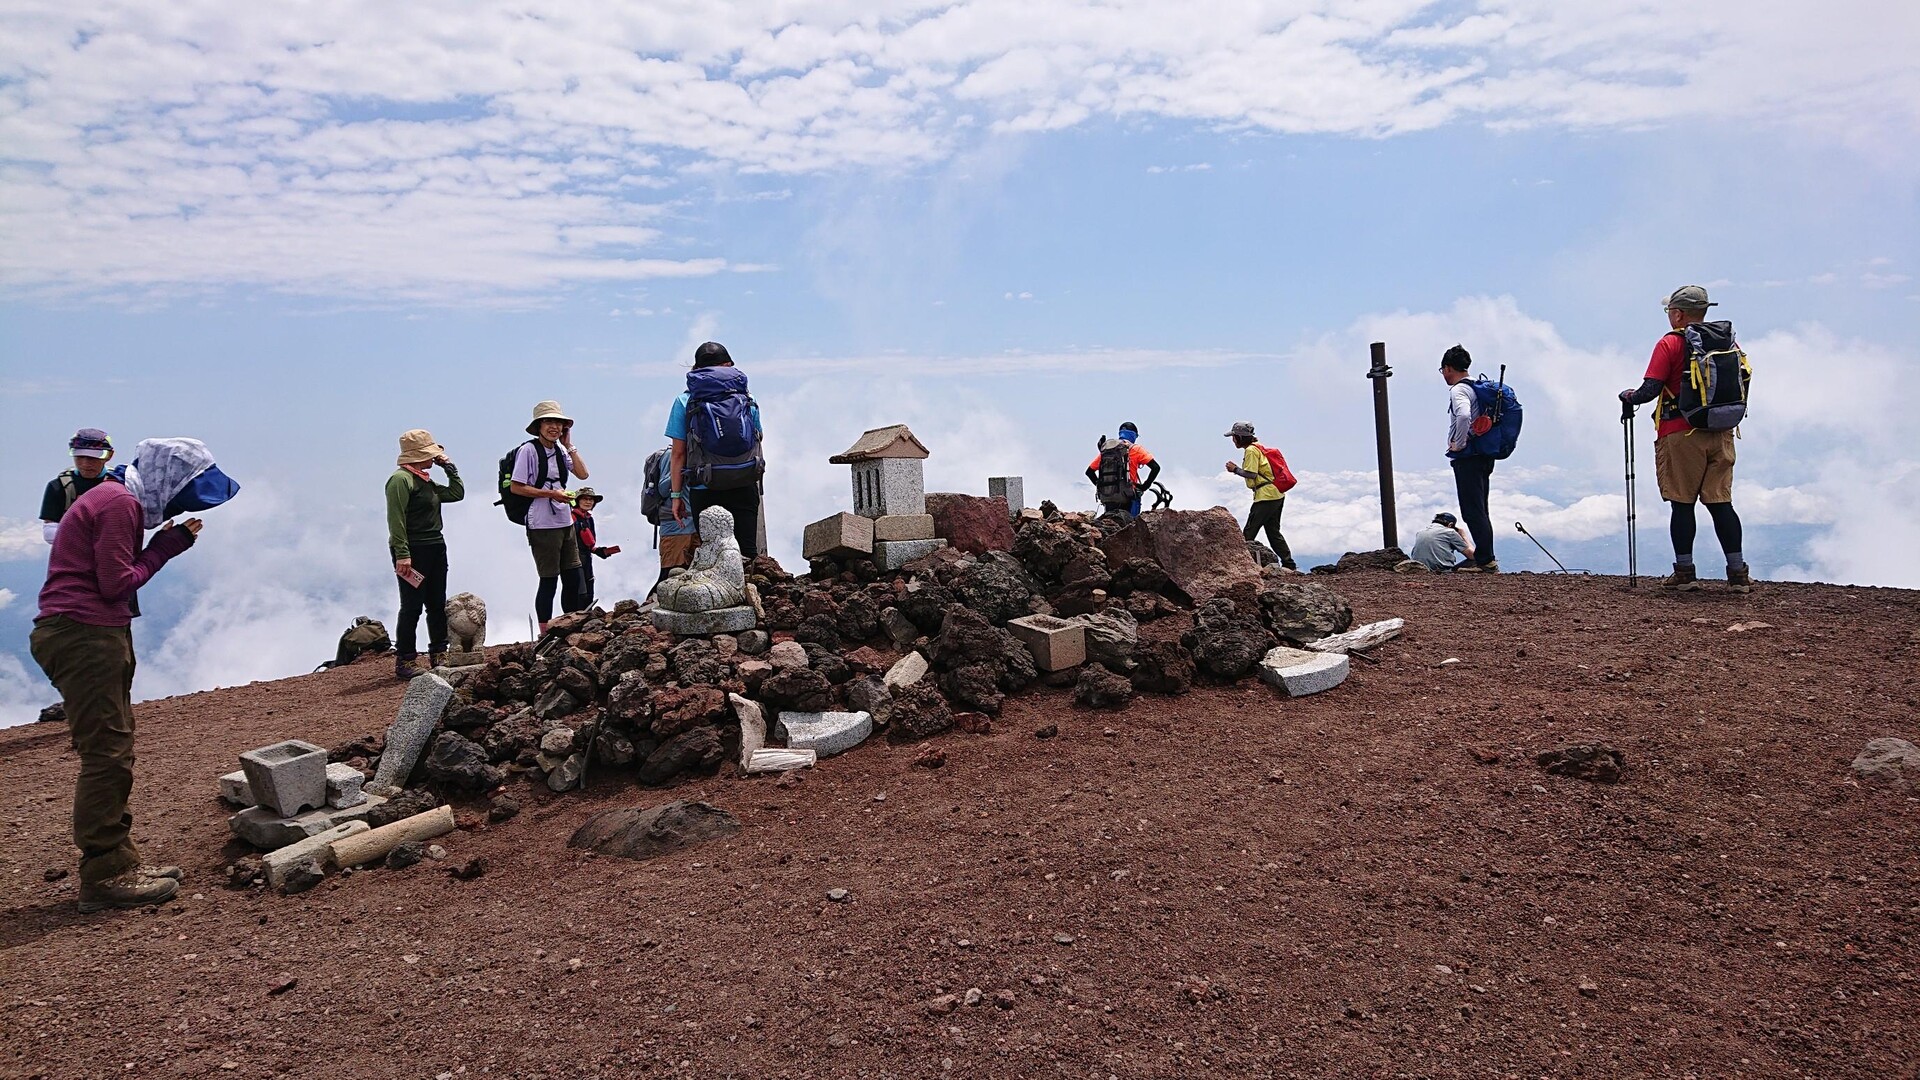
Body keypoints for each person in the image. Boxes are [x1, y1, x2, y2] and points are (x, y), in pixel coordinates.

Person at [30, 438, 237, 912]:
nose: (179, 505)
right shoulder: (119, 503)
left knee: (114, 747)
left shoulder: (111, 496)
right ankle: (106, 875)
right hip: (84, 635)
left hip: (88, 632)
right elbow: (116, 583)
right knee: (106, 755)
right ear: (167, 481)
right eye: (182, 493)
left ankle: (121, 861)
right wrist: (168, 545)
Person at [1619, 285, 1751, 593]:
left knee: (1682, 504)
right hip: (1721, 431)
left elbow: (1650, 389)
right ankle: (1738, 574)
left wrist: (1628, 396)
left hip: (1680, 432)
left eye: (1670, 311)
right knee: (1721, 504)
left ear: (1678, 314)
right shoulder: (1726, 342)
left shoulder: (1670, 344)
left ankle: (1685, 573)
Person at [667, 342, 765, 557]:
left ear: (696, 369)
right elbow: (758, 437)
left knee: (712, 555)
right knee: (748, 552)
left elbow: (678, 454)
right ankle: (753, 589)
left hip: (705, 485)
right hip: (744, 481)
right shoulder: (747, 398)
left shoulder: (685, 401)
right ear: (728, 364)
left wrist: (676, 496)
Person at [386, 429, 463, 679]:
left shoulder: (425, 480)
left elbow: (456, 494)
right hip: (413, 549)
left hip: (435, 546)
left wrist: (450, 468)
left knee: (436, 603)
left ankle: (439, 653)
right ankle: (405, 660)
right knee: (411, 606)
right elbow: (395, 520)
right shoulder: (401, 480)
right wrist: (402, 554)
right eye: (431, 454)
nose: (435, 457)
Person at [510, 401, 590, 632]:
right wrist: (550, 493)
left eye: (558, 422)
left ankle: (569, 623)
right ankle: (544, 630)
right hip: (542, 523)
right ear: (538, 426)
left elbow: (583, 474)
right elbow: (517, 487)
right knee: (549, 579)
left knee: (573, 575)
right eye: (548, 421)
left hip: (564, 520)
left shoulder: (560, 450)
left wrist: (570, 446)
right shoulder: (528, 451)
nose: (554, 427)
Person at [1441, 345, 1499, 573]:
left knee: (1472, 510)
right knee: (1481, 508)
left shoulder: (1458, 391)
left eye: (1443, 370)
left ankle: (1485, 561)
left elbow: (1464, 415)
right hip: (1484, 455)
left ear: (1447, 368)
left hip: (1469, 457)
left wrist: (1459, 443)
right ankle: (1486, 557)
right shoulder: (1478, 387)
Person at [1222, 421, 1297, 570]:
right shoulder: (1259, 448)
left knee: (1249, 531)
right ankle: (1289, 564)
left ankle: (1240, 566)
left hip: (1265, 496)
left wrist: (1235, 469)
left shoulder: (1250, 450)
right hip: (1276, 494)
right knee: (1273, 531)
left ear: (1240, 437)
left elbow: (1251, 473)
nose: (1233, 440)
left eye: (1234, 436)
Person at [40, 428, 118, 545]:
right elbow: (49, 533)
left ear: (109, 456)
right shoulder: (59, 486)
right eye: (80, 457)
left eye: (93, 457)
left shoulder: (119, 484)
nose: (85, 463)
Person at [1085, 422, 1160, 517]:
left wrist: (1102, 486)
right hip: (1128, 497)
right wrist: (1145, 486)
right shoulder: (1136, 449)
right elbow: (1156, 467)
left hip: (1109, 497)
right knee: (1129, 526)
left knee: (1111, 522)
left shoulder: (1108, 451)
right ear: (1134, 435)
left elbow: (1089, 472)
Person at [570, 487, 620, 608]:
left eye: (591, 500)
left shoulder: (589, 519)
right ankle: (574, 617)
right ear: (577, 501)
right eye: (585, 499)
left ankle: (587, 615)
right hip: (573, 558)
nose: (588, 502)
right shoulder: (570, 517)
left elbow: (589, 541)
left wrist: (598, 550)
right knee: (579, 589)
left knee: (588, 585)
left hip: (586, 556)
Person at [1409, 512, 1474, 571]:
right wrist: (1463, 536)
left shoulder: (1420, 532)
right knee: (1480, 559)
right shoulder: (1450, 532)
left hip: (1420, 568)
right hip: (1442, 570)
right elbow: (1473, 555)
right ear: (1450, 525)